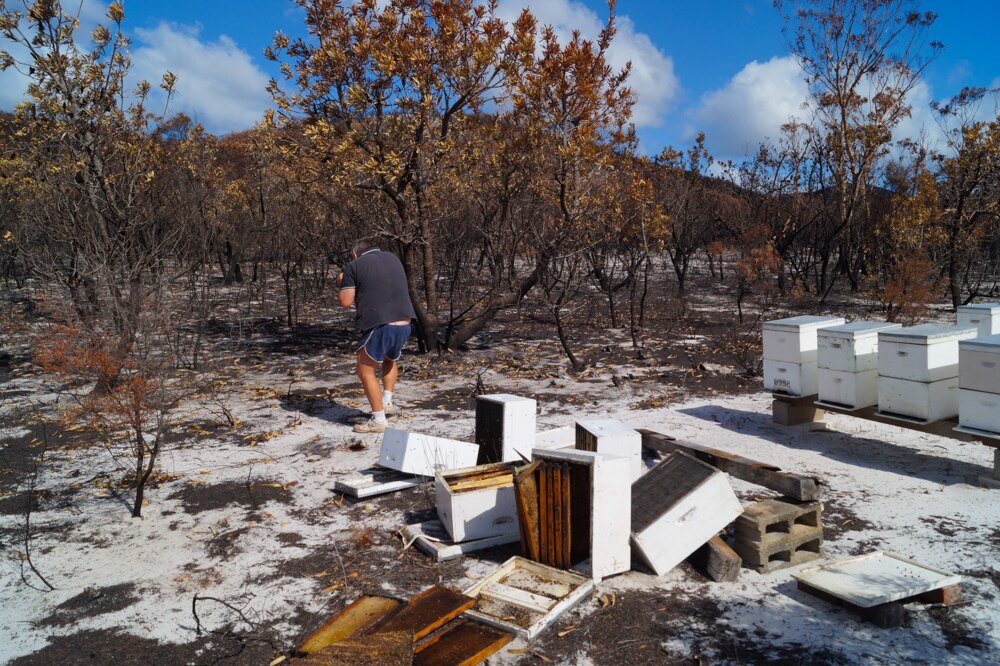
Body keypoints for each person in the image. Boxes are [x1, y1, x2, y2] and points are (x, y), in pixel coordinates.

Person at [337, 238, 416, 433]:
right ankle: (387, 400)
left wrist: (343, 281)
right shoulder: (393, 258)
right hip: (405, 321)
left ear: (355, 254)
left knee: (365, 370)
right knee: (390, 358)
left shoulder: (354, 265)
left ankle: (378, 420)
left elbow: (346, 301)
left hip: (380, 324)